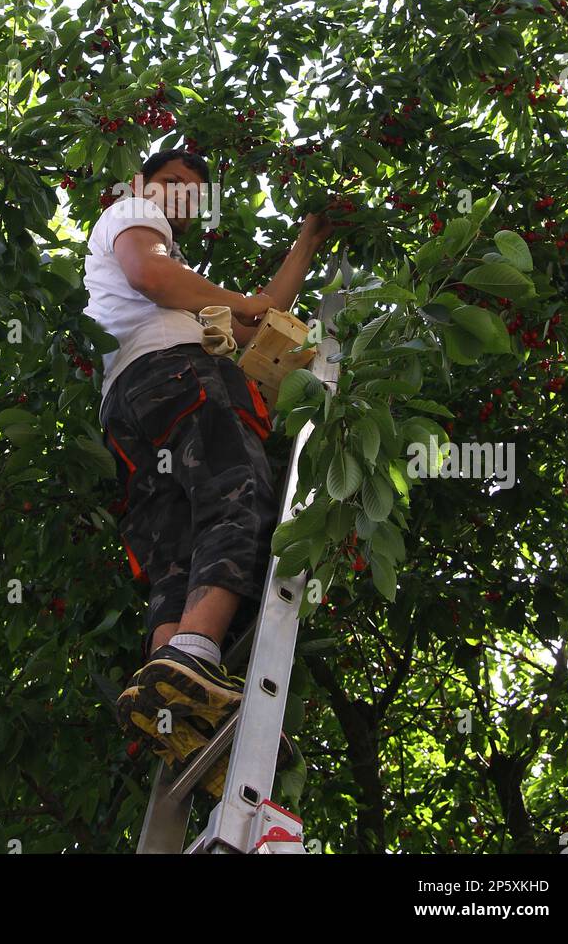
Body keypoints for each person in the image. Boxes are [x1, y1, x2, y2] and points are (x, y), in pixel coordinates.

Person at [83, 147, 344, 781]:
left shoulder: (185, 283)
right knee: (240, 491)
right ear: (143, 184)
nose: (177, 197)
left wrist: (307, 241)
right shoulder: (135, 215)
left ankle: (172, 692)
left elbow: (259, 321)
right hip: (176, 378)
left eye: (191, 193)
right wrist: (245, 305)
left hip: (132, 407)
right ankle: (199, 654)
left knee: (176, 544)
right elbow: (150, 273)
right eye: (170, 183)